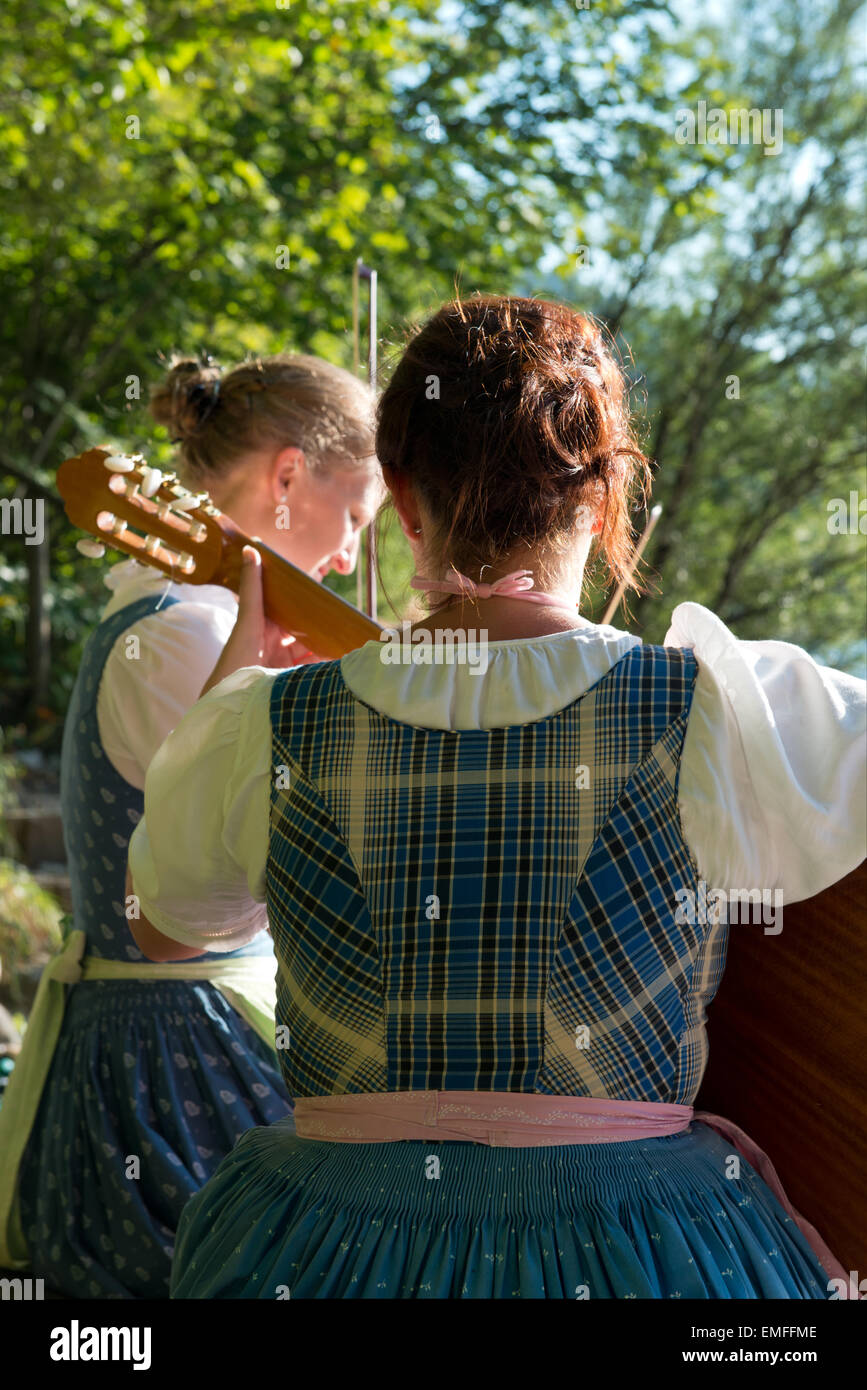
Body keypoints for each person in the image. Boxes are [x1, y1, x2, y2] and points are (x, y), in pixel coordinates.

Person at [130, 298, 864, 1299]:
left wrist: (234, 688)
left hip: (325, 1250)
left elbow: (171, 929)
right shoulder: (721, 711)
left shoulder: (264, 727)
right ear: (609, 499)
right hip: (643, 1249)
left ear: (401, 496)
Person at [0, 352, 382, 1298]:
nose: (345, 561)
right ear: (288, 476)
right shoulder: (187, 635)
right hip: (178, 1055)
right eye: (355, 520)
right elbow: (246, 883)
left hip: (181, 1021)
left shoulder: (186, 617)